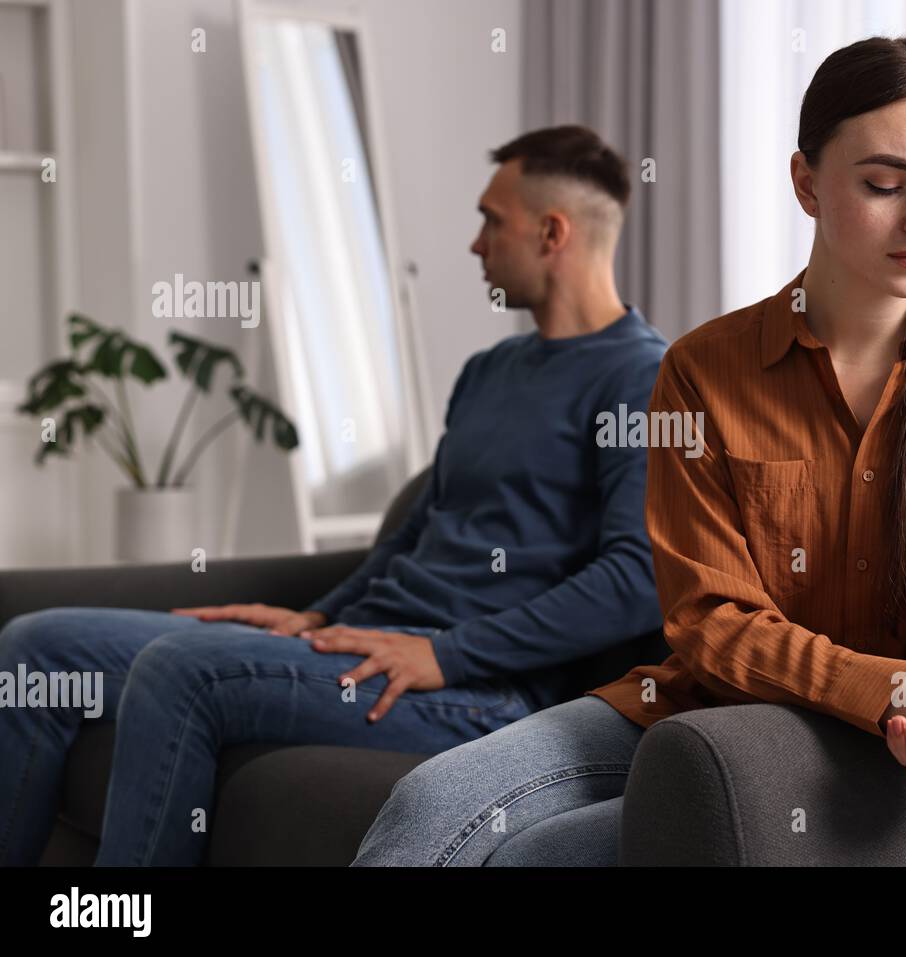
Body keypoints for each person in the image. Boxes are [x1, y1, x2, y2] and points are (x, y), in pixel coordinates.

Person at [351, 35, 906, 867]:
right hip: (709, 710)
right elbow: (710, 617)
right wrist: (887, 685)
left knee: (533, 856)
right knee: (429, 798)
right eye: (883, 184)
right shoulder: (703, 369)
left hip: (897, 750)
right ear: (806, 183)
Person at [0, 124, 668, 866]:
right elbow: (411, 540)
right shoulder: (490, 370)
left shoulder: (642, 379)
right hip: (363, 646)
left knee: (178, 670)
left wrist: (446, 652)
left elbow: (636, 580)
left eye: (490, 219)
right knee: (39, 644)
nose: (476, 243)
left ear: (552, 232)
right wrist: (318, 613)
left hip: (476, 689)